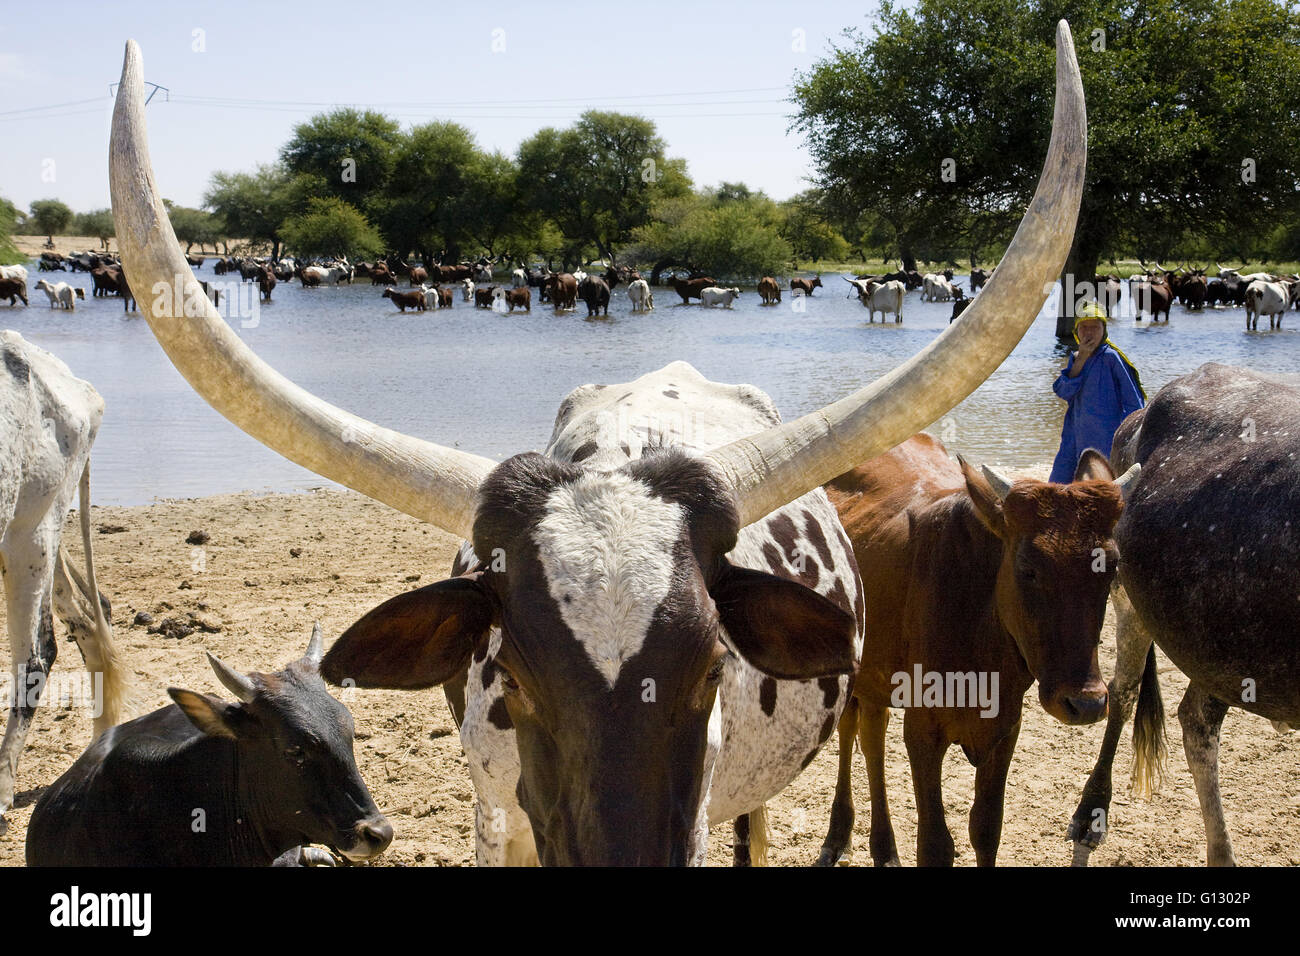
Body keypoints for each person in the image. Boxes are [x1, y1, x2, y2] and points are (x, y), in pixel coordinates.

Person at [1048, 301, 1145, 483]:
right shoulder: (1076, 358)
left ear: (1104, 330)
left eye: (1095, 327)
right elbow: (1063, 391)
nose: (1089, 332)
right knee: (1059, 481)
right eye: (1084, 327)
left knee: (1102, 483)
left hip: (1106, 434)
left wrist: (1130, 439)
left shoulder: (1111, 357)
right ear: (1076, 331)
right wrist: (1082, 357)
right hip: (1075, 432)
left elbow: (1134, 401)